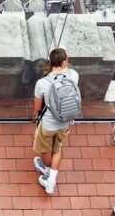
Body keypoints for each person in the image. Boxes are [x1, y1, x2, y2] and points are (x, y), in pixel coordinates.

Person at [32, 48, 79, 195]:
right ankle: (51, 181)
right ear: (64, 62)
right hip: (65, 121)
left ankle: (48, 174)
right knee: (57, 149)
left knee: (46, 149)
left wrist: (35, 117)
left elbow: (37, 107)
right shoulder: (73, 75)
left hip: (48, 124)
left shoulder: (42, 83)